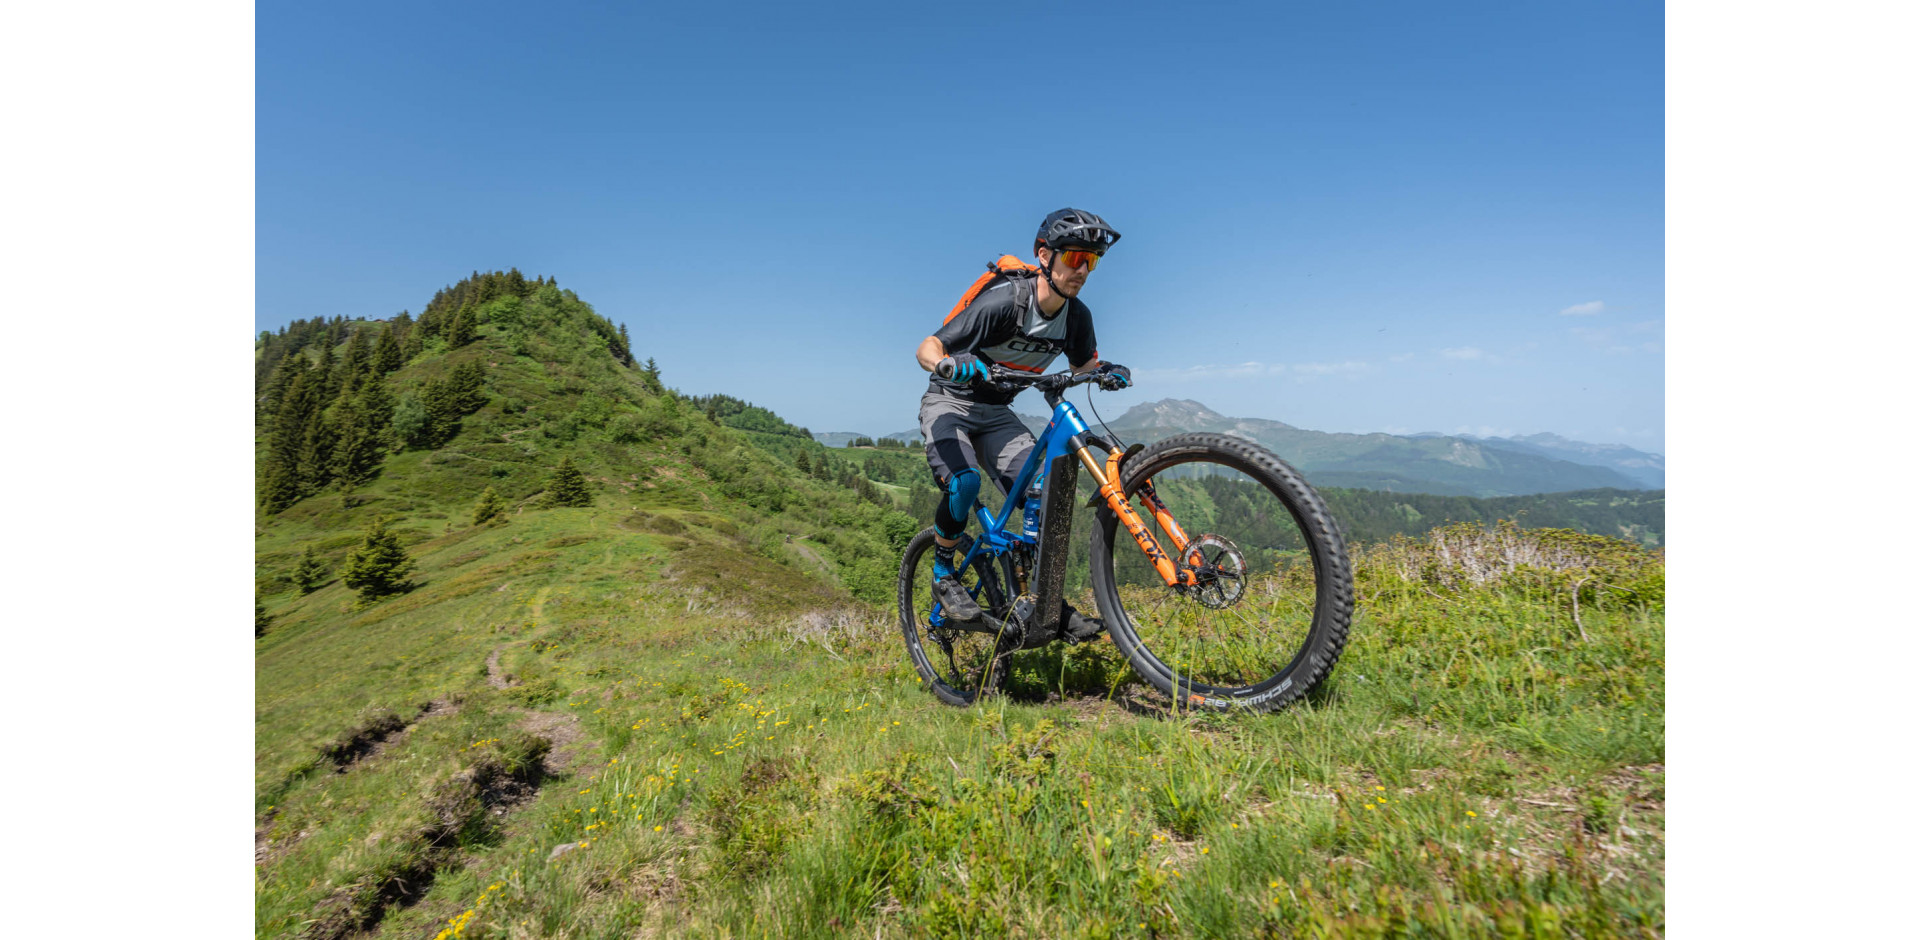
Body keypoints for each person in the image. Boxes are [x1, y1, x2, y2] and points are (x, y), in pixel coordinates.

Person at [913, 208, 1132, 627]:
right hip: (950, 403)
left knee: (1045, 494)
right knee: (964, 482)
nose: (1082, 270)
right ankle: (943, 573)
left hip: (998, 414)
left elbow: (1085, 366)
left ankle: (1047, 605)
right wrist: (946, 364)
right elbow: (928, 346)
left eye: (1091, 261)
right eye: (1075, 257)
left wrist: (1107, 372)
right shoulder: (1006, 301)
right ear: (1045, 256)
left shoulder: (1077, 317)